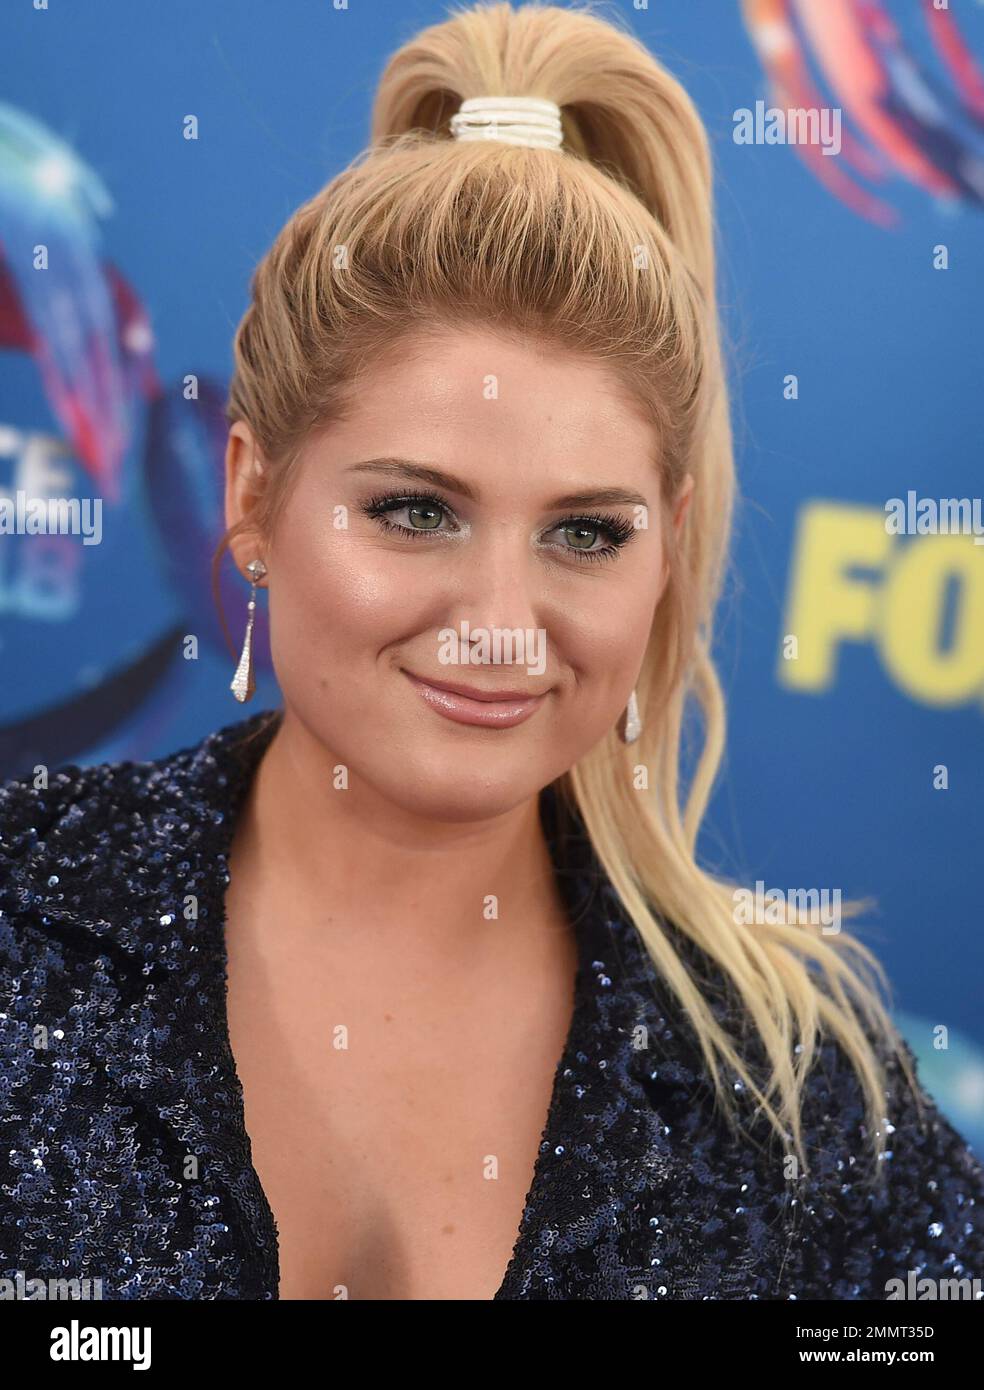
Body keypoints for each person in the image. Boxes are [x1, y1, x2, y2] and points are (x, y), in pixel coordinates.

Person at [1, 1, 981, 1302]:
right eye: (416, 510)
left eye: (585, 531)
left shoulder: (796, 1089)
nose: (502, 619)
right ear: (252, 495)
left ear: (669, 548)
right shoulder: (21, 924)